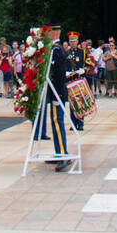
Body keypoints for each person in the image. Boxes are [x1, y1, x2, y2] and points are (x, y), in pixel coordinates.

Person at [32, 27, 73, 172]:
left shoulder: (56, 50)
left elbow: (59, 75)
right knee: (56, 123)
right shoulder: (56, 49)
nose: (46, 36)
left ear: (53, 33)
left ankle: (63, 154)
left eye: (48, 33)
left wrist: (58, 95)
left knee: (57, 123)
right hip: (55, 93)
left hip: (57, 93)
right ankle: (59, 153)